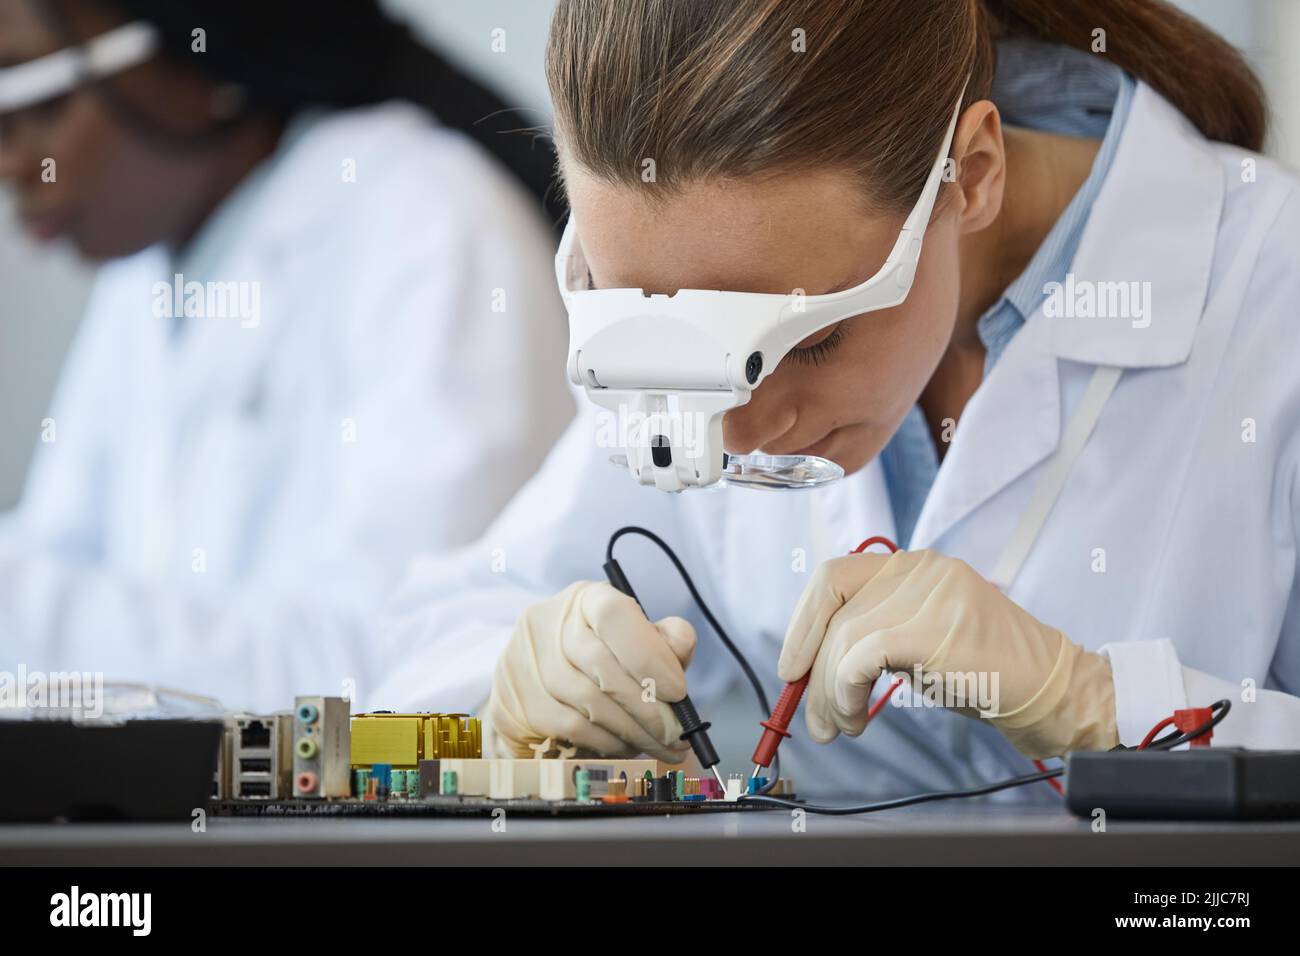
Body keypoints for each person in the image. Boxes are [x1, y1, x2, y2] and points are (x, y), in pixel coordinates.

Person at [377, 0, 1300, 797]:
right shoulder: (690, 276)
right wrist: (511, 683)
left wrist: (1102, 702)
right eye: (667, 344)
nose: (739, 427)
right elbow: (420, 640)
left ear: (970, 174)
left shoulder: (1271, 297)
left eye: (810, 340)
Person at [0, 0, 574, 711]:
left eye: (44, 101)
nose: (14, 162)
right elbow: (56, 569)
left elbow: (401, 671)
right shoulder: (149, 268)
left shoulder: (426, 216)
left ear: (197, 53)